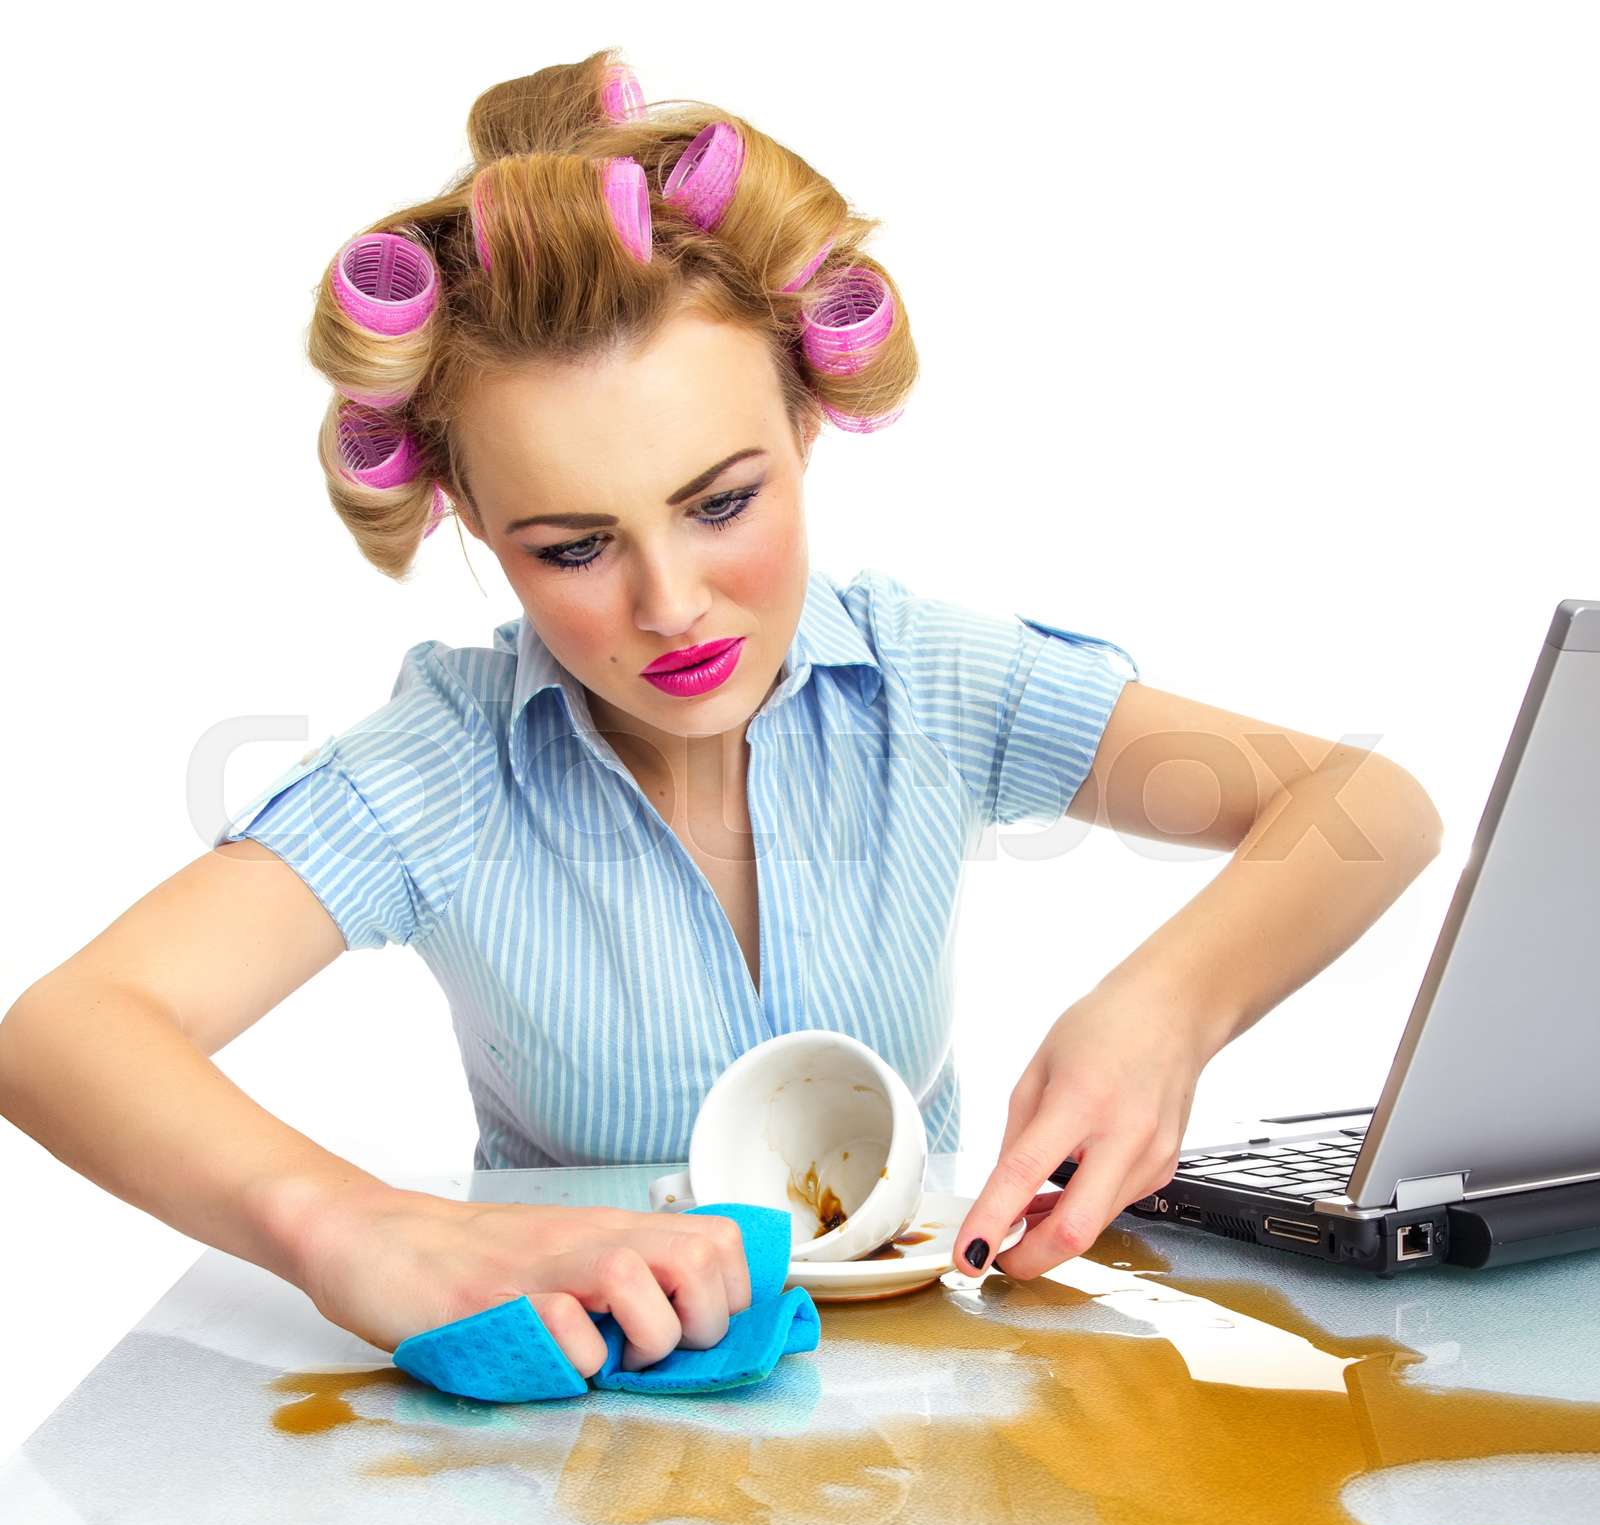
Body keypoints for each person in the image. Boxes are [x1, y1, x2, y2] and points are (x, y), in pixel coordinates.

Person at [0, 50, 1444, 1381]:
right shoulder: (443, 765)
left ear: (808, 429)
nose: (674, 603)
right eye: (572, 548)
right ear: (479, 530)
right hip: (591, 1426)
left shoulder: (930, 680)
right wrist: (351, 1230)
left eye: (724, 502)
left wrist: (1158, 1015)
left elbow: (1368, 809)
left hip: (933, 1408)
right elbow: (65, 1031)